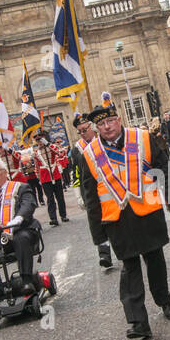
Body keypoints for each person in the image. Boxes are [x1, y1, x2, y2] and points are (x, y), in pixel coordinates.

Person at [80, 104, 170, 340]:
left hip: (148, 212)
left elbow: (163, 170)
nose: (107, 127)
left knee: (155, 260)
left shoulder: (142, 137)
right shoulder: (89, 153)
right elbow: (91, 196)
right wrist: (98, 237)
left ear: (119, 119)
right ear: (96, 128)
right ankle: (138, 321)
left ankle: (164, 301)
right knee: (129, 268)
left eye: (110, 121)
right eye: (101, 124)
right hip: (117, 219)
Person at [0, 158, 40, 303]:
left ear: (4, 173)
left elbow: (28, 204)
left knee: (21, 238)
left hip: (18, 232)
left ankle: (26, 279)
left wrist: (19, 218)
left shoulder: (20, 187)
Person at [71, 113, 114, 270]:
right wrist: (78, 195)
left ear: (92, 127)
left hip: (108, 186)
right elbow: (75, 173)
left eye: (85, 129)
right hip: (89, 190)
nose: (83, 133)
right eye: (80, 131)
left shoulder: (104, 141)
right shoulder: (76, 150)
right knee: (96, 220)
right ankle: (104, 253)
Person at [34, 138, 68, 226]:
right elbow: (37, 166)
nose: (40, 142)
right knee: (50, 199)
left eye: (41, 140)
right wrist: (38, 177)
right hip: (45, 177)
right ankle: (53, 218)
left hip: (55, 175)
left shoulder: (52, 148)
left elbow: (59, 154)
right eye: (38, 141)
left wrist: (48, 144)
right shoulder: (36, 153)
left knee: (60, 197)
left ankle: (63, 215)